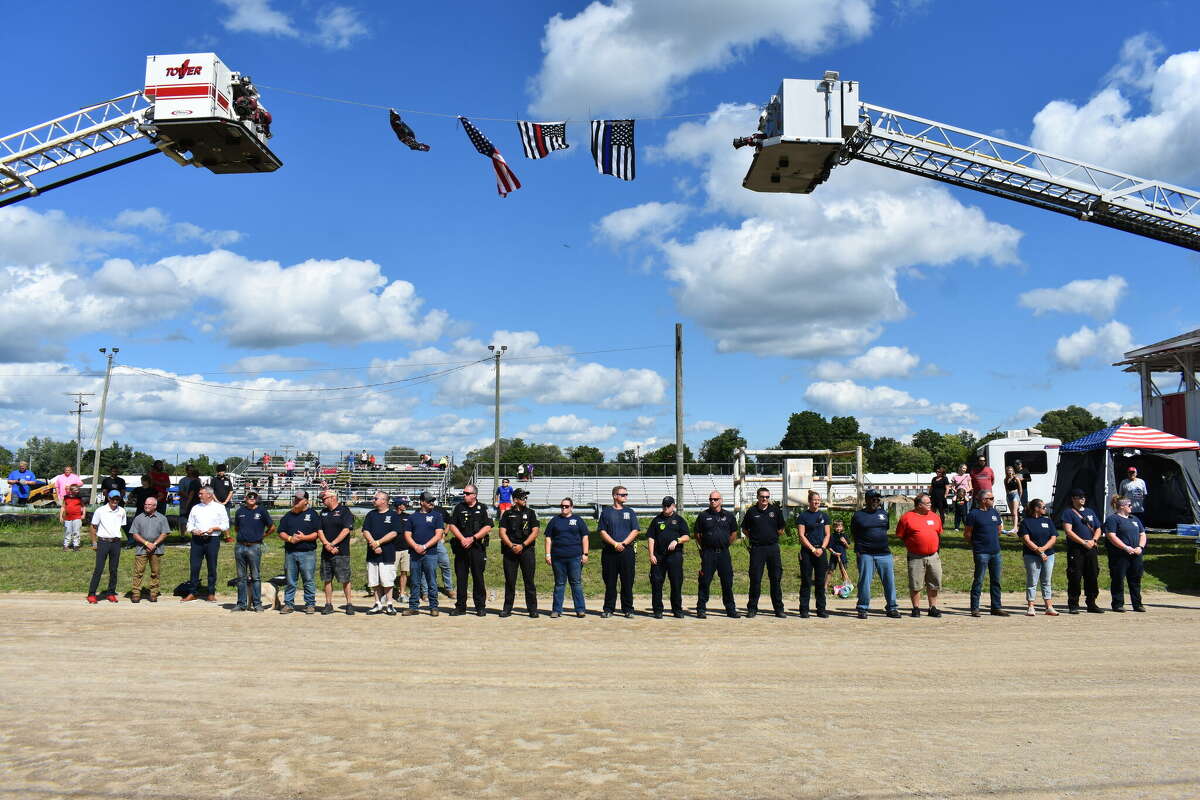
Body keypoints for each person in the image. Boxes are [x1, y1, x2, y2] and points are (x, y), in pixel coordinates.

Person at [850, 490, 900, 619]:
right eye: (873, 499)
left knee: (889, 581)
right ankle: (863, 608)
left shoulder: (884, 514)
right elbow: (854, 533)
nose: (876, 501)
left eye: (878, 499)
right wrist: (859, 551)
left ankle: (892, 607)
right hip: (866, 553)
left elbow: (886, 528)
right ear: (866, 500)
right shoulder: (858, 515)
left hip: (884, 553)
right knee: (864, 582)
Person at [693, 491, 740, 619]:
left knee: (727, 582)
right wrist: (705, 546)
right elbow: (697, 534)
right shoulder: (703, 516)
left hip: (724, 553)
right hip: (708, 553)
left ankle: (730, 609)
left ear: (721, 500)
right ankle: (701, 609)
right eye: (711, 499)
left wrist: (725, 544)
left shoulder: (729, 516)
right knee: (704, 581)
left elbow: (734, 533)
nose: (713, 501)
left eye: (715, 499)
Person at [448, 483, 493, 616]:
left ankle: (480, 606)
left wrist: (472, 539)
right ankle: (460, 607)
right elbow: (452, 525)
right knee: (461, 578)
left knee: (478, 578)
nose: (465, 496)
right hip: (461, 548)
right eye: (464, 493)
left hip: (477, 548)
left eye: (467, 493)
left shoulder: (483, 508)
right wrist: (462, 539)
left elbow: (488, 527)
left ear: (474, 495)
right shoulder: (458, 507)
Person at [896, 493, 943, 617]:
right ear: (919, 505)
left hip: (933, 556)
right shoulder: (907, 517)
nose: (930, 505)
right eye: (927, 503)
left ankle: (932, 607)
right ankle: (916, 608)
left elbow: (939, 533)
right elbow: (900, 535)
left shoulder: (935, 517)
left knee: (934, 583)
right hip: (915, 556)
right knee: (916, 584)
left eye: (930, 503)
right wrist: (913, 545)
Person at [742, 487, 785, 618]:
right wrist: (756, 538)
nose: (764, 499)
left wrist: (771, 537)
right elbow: (744, 529)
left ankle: (778, 609)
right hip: (757, 549)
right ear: (758, 497)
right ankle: (752, 608)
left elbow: (781, 528)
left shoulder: (775, 511)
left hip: (772, 548)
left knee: (775, 579)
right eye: (762, 497)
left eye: (767, 497)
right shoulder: (751, 511)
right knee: (755, 579)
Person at [964, 490, 1009, 617]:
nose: (993, 500)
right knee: (979, 580)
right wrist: (976, 545)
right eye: (991, 498)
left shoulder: (994, 512)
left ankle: (996, 607)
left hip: (995, 552)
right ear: (984, 500)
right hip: (981, 552)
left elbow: (999, 529)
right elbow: (967, 534)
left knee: (996, 580)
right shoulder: (974, 514)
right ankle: (975, 608)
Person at [1060, 488, 1104, 614]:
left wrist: (1094, 540)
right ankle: (1073, 604)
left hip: (1091, 548)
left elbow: (1098, 528)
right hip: (1077, 549)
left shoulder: (1090, 512)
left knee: (1092, 575)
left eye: (1084, 496)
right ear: (1073, 498)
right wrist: (1083, 542)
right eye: (1079, 497)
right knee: (1075, 576)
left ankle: (1091, 603)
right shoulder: (1068, 513)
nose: (1083, 498)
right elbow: (1068, 531)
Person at [598, 485, 640, 618]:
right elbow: (602, 531)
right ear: (615, 496)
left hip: (626, 551)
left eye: (626, 494)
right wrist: (615, 544)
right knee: (610, 582)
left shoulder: (630, 512)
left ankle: (628, 609)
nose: (625, 497)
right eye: (623, 494)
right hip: (610, 552)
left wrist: (624, 543)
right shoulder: (606, 512)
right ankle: (609, 608)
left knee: (627, 581)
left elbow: (635, 530)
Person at [183, 485, 229, 602]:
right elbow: (189, 524)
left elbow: (225, 525)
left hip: (212, 540)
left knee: (212, 567)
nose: (199, 495)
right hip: (197, 540)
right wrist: (193, 530)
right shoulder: (196, 507)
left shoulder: (219, 508)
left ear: (209, 494)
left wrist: (214, 528)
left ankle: (211, 592)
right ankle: (192, 592)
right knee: (194, 567)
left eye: (201, 493)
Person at [544, 496, 588, 618]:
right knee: (559, 584)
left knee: (576, 583)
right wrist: (548, 554)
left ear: (571, 507)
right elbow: (548, 538)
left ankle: (580, 609)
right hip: (558, 558)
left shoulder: (578, 520)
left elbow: (585, 537)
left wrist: (585, 554)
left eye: (566, 506)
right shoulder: (555, 520)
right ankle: (556, 610)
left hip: (575, 557)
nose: (564, 508)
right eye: (562, 506)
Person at [498, 487, 539, 618]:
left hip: (526, 550)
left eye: (525, 497)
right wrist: (511, 545)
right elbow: (502, 532)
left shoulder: (531, 513)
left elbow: (535, 531)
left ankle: (532, 609)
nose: (525, 499)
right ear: (515, 500)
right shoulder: (507, 514)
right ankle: (507, 608)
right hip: (510, 551)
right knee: (510, 581)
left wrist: (523, 545)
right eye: (522, 497)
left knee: (529, 581)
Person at [277, 490, 320, 614]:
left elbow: (317, 533)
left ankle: (310, 604)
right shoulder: (288, 515)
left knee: (308, 580)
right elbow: (281, 532)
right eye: (295, 498)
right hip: (290, 552)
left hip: (307, 552)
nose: (296, 501)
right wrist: (290, 538)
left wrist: (303, 538)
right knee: (290, 580)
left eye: (299, 499)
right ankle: (289, 604)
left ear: (306, 501)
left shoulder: (312, 514)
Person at [647, 496, 690, 619]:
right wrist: (651, 555)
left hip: (674, 557)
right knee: (656, 584)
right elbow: (651, 538)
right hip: (659, 557)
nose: (665, 508)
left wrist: (677, 540)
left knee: (676, 583)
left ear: (673, 506)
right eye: (664, 506)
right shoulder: (656, 520)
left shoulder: (679, 520)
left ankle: (677, 609)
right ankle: (658, 610)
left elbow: (687, 536)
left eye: (668, 505)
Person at [402, 491, 445, 616]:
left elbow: (439, 534)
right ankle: (413, 606)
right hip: (415, 554)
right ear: (422, 502)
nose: (432, 503)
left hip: (430, 553)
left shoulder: (437, 516)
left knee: (431, 580)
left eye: (432, 501)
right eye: (429, 501)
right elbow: (407, 534)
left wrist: (425, 546)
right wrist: (416, 546)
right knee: (415, 581)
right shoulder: (412, 517)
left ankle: (434, 606)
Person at [232, 491, 274, 612]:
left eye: (254, 498)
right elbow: (236, 528)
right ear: (245, 499)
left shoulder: (262, 511)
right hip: (240, 546)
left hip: (255, 546)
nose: (251, 499)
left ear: (257, 499)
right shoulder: (240, 511)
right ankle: (241, 604)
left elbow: (272, 527)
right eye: (249, 497)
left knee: (255, 576)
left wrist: (263, 536)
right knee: (241, 577)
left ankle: (257, 604)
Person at [1104, 496, 1147, 613]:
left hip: (1136, 554)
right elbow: (1111, 536)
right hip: (1120, 555)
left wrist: (1140, 547)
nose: (1131, 507)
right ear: (1122, 506)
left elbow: (1142, 534)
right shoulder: (1113, 519)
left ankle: (1137, 604)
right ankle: (1118, 604)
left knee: (1135, 579)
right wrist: (1125, 547)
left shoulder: (1135, 519)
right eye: (1129, 505)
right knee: (1118, 579)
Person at [317, 489, 356, 615]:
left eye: (324, 498)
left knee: (345, 579)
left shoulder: (345, 511)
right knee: (327, 579)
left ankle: (349, 604)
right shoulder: (323, 512)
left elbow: (346, 530)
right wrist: (326, 544)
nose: (322, 501)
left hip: (341, 551)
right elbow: (319, 530)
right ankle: (328, 604)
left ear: (332, 498)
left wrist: (333, 544)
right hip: (326, 551)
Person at [362, 491, 401, 615]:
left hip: (387, 553)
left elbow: (394, 532)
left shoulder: (393, 515)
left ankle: (389, 604)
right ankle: (377, 603)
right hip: (372, 553)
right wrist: (373, 543)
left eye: (376, 498)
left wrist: (378, 543)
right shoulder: (371, 514)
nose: (373, 500)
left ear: (384, 500)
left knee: (387, 580)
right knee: (374, 580)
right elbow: (365, 531)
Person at [794, 491, 831, 618]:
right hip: (807, 552)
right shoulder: (803, 516)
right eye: (814, 500)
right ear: (809, 501)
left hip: (821, 551)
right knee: (806, 581)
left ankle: (821, 609)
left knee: (820, 582)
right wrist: (812, 549)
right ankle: (804, 609)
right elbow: (801, 535)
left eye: (818, 500)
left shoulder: (824, 516)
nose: (816, 502)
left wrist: (822, 548)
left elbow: (827, 535)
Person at [1018, 499, 1058, 617]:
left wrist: (1044, 549)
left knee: (1046, 581)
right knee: (1032, 581)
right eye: (1043, 507)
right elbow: (1026, 539)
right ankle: (1031, 606)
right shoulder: (1026, 522)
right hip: (1031, 555)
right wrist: (1038, 551)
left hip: (1049, 555)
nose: (1045, 509)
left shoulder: (1048, 521)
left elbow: (1053, 537)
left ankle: (1049, 606)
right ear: (1036, 508)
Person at [128, 496, 170, 603]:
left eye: (149, 505)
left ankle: (153, 593)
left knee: (155, 572)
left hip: (157, 549)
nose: (146, 506)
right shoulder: (138, 518)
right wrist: (146, 543)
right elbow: (134, 534)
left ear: (155, 506)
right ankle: (136, 593)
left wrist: (154, 544)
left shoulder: (162, 518)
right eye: (145, 504)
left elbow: (165, 533)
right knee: (138, 572)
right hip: (141, 549)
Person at [87, 490, 126, 603]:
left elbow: (121, 526)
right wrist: (94, 542)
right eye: (113, 498)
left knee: (113, 569)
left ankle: (111, 592)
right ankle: (92, 593)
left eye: (117, 499)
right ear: (108, 498)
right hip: (103, 542)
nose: (115, 501)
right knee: (99, 569)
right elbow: (93, 527)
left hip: (116, 542)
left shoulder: (122, 511)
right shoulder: (100, 511)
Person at [391, 497, 412, 604]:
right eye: (404, 504)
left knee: (404, 572)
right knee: (391, 573)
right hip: (393, 549)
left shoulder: (408, 517)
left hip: (406, 549)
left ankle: (402, 594)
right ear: (399, 505)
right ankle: (387, 595)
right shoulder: (391, 516)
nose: (406, 506)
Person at [826, 520, 851, 593]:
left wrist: (845, 542)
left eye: (840, 526)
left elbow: (848, 547)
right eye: (836, 526)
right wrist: (834, 552)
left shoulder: (845, 535)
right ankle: (825, 586)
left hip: (842, 556)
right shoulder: (832, 536)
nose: (838, 528)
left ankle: (845, 586)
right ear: (834, 527)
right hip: (834, 556)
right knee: (830, 571)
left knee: (843, 571)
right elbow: (829, 547)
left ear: (842, 527)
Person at [59, 483, 86, 551]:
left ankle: (76, 546)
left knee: (76, 531)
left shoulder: (79, 498)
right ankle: (66, 545)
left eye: (78, 490)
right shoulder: (66, 497)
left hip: (77, 517)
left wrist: (83, 514)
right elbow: (63, 507)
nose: (77, 491)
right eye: (76, 490)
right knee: (68, 531)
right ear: (71, 490)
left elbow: (83, 506)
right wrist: (61, 516)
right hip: (67, 517)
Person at [177, 466, 200, 534]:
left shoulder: (197, 480)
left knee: (195, 518)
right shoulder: (182, 480)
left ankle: (194, 534)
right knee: (183, 518)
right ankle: (183, 535)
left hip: (194, 503)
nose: (191, 471)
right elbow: (180, 491)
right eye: (190, 470)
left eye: (192, 470)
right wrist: (189, 497)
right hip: (184, 502)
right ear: (186, 471)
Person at [1002, 465, 1023, 533]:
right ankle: (1015, 528)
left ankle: (1015, 528)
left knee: (1014, 512)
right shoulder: (1005, 479)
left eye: (1011, 471)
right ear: (1006, 472)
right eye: (1008, 471)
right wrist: (1007, 496)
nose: (1010, 472)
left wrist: (1019, 499)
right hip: (1009, 496)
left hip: (1015, 495)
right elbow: (1006, 489)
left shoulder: (1016, 478)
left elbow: (1020, 490)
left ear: (1013, 471)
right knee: (1012, 513)